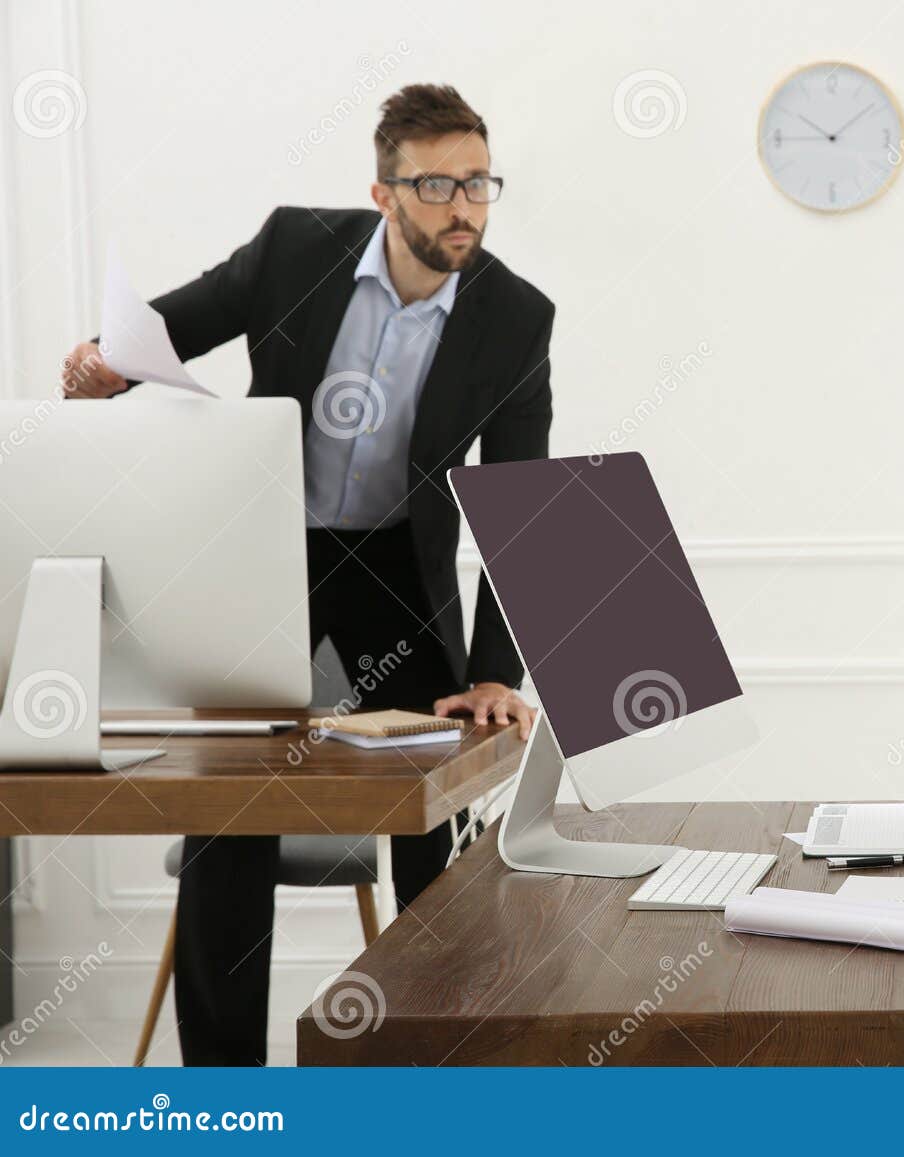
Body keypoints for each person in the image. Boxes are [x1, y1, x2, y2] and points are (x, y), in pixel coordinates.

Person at [60, 83, 550, 1065]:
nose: (464, 207)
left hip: (397, 574)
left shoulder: (515, 315)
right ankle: (223, 1086)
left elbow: (524, 503)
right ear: (383, 192)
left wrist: (500, 670)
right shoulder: (293, 248)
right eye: (438, 185)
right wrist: (105, 360)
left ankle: (432, 1060)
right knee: (229, 805)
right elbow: (166, 327)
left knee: (433, 802)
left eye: (479, 183)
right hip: (267, 557)